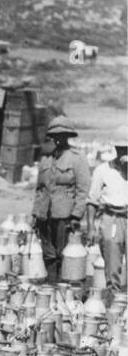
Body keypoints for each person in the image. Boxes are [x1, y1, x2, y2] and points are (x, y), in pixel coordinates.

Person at [32, 117, 91, 283]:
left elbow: (83, 189)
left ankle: (64, 287)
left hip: (64, 215)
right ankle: (50, 285)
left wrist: (76, 216)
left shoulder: (76, 158)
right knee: (48, 253)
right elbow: (39, 189)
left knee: (64, 253)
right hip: (45, 213)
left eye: (62, 135)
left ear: (68, 136)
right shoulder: (45, 159)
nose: (58, 139)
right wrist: (35, 213)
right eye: (55, 135)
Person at [89, 125, 128, 291]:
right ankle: (114, 304)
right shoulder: (102, 170)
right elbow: (92, 201)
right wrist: (91, 227)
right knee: (112, 265)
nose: (124, 153)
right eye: (121, 149)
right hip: (111, 218)